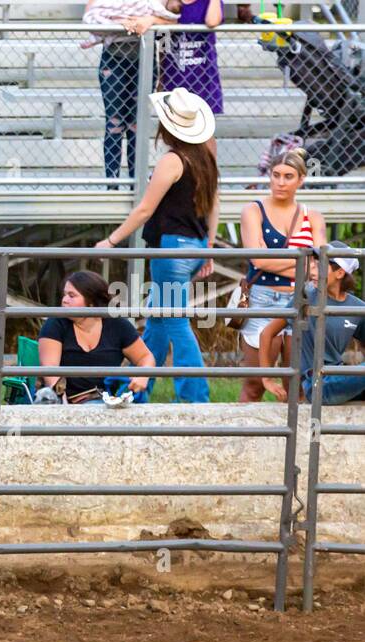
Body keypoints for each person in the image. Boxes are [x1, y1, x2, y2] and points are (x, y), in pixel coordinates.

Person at [96, 87, 217, 403]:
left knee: (174, 320)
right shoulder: (206, 158)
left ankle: (195, 397)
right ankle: (134, 388)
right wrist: (208, 246)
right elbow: (214, 204)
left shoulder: (172, 160)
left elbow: (145, 209)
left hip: (171, 249)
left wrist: (111, 240)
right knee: (158, 320)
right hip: (193, 246)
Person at [238, 146, 325, 402]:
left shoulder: (313, 216)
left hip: (301, 300)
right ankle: (241, 428)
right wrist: (304, 262)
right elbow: (258, 260)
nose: (280, 182)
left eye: (288, 176)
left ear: (301, 179)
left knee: (297, 385)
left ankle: (295, 430)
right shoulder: (254, 210)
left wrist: (275, 260)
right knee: (255, 383)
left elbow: (321, 265)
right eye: (276, 175)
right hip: (263, 299)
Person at [82, 0, 182, 183]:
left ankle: (136, 184)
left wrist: (150, 19)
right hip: (114, 59)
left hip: (144, 58)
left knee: (137, 125)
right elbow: (90, 16)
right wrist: (120, 22)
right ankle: (112, 186)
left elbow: (171, 21)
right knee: (114, 123)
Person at [259, 243, 365, 405]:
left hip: (341, 377)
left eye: (321, 266)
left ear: (340, 273)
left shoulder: (357, 307)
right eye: (314, 265)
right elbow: (267, 333)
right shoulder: (306, 297)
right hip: (317, 384)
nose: (313, 271)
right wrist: (266, 379)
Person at [38, 270, 154, 402]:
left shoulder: (117, 325)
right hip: (64, 400)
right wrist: (64, 405)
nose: (64, 300)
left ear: (91, 302)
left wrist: (143, 376)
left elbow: (145, 357)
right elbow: (50, 370)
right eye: (64, 295)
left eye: (71, 296)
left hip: (104, 400)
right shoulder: (55, 324)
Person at [159, 0, 224, 138]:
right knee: (175, 137)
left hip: (203, 80)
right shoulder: (169, 3)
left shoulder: (209, 3)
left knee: (204, 135)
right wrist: (161, 77)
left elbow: (212, 21)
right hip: (175, 79)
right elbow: (163, 44)